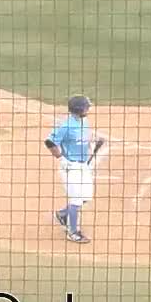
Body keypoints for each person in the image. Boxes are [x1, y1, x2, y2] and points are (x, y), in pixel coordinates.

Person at [45, 95, 105, 244]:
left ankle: (63, 214)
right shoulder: (67, 126)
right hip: (70, 167)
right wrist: (61, 157)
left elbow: (84, 140)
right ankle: (73, 232)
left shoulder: (84, 121)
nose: (88, 108)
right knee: (76, 199)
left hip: (83, 165)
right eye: (86, 106)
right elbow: (50, 141)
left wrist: (94, 144)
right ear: (80, 109)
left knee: (85, 196)